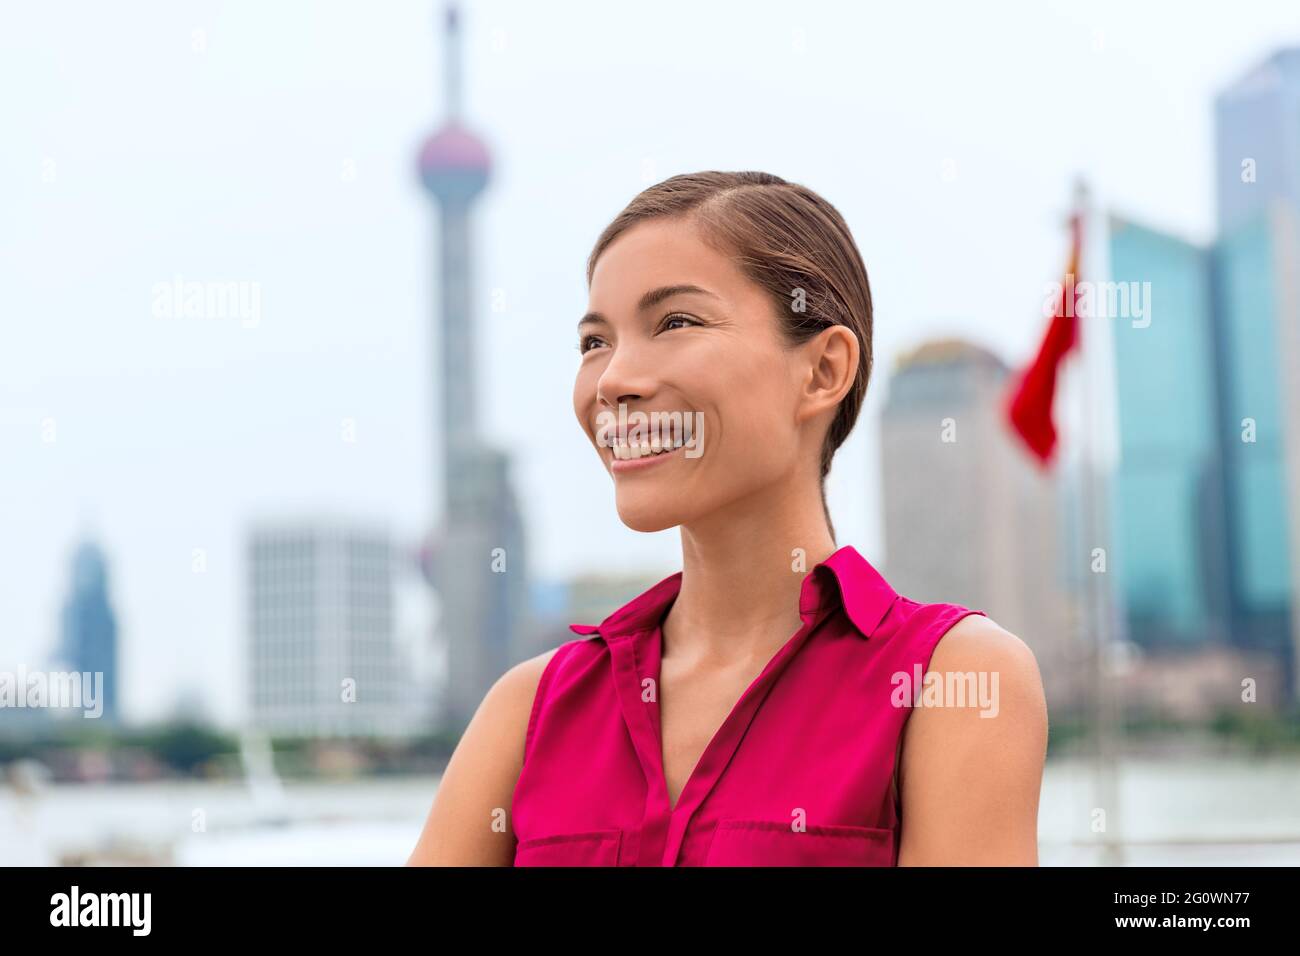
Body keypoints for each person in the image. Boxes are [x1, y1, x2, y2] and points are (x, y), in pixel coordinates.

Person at [407, 171, 1048, 866]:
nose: (615, 380)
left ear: (823, 370)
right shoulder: (529, 710)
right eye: (595, 342)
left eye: (676, 322)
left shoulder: (953, 682)